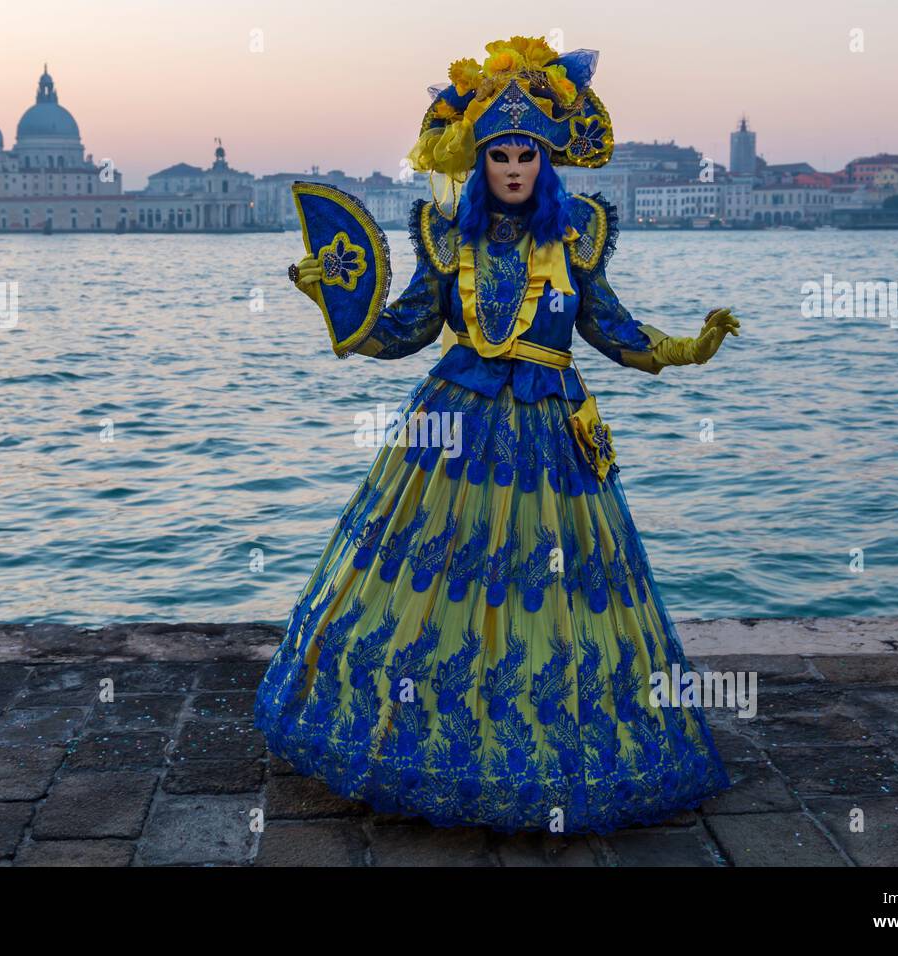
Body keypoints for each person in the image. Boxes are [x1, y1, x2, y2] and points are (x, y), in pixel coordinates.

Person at [254, 36, 740, 833]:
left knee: (549, 591)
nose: (513, 167)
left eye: (526, 155)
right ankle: (419, 736)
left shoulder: (578, 233)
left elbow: (609, 328)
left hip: (551, 432)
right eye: (498, 155)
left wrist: (689, 346)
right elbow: (405, 328)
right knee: (439, 578)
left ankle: (550, 742)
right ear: (478, 162)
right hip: (455, 424)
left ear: (546, 163)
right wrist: (334, 303)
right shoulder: (448, 236)